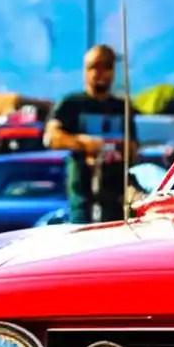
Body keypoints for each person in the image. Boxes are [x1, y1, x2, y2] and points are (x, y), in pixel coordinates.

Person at [44, 45, 139, 223]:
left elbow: (134, 146)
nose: (101, 72)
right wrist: (85, 144)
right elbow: (51, 137)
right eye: (95, 66)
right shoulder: (71, 104)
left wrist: (123, 149)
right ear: (86, 70)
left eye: (107, 66)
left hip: (116, 196)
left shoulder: (122, 107)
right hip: (83, 194)